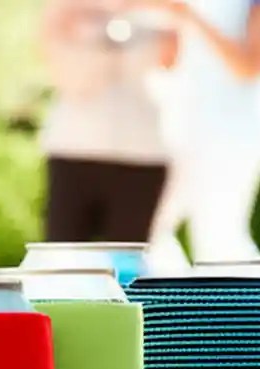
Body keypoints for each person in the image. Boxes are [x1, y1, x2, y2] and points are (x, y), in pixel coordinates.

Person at [144, 0, 260, 270]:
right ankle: (176, 308)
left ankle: (255, 310)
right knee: (151, 231)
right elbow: (168, 58)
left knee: (218, 236)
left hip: (235, 128)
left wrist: (189, 17)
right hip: (184, 126)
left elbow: (249, 65)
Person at [39, 0, 170, 247]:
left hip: (142, 154)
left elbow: (175, 60)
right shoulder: (66, 7)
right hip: (74, 148)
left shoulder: (157, 12)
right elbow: (55, 60)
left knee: (128, 267)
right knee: (62, 259)